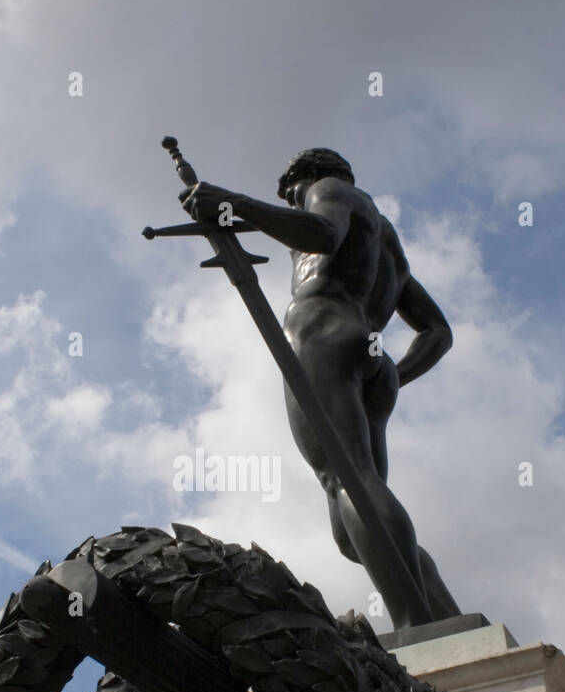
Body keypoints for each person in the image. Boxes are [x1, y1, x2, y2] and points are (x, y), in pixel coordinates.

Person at [180, 148, 460, 630]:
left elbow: (322, 233)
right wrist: (393, 375)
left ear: (304, 177)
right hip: (368, 351)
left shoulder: (327, 191)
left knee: (348, 478)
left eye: (290, 195)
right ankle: (445, 618)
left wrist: (236, 201)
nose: (293, 205)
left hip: (321, 331)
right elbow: (437, 332)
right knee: (353, 526)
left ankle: (415, 627)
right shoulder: (386, 241)